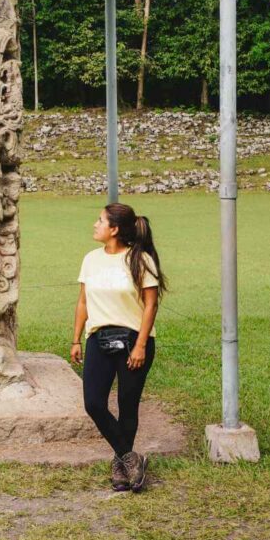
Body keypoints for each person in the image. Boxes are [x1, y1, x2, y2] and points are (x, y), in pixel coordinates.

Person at [70, 203, 167, 493]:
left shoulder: (141, 260)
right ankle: (130, 457)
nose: (94, 225)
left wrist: (139, 345)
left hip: (133, 341)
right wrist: (76, 338)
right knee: (93, 403)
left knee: (128, 406)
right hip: (98, 338)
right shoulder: (90, 259)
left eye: (100, 221)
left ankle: (120, 466)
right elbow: (83, 302)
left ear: (114, 229)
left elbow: (151, 304)